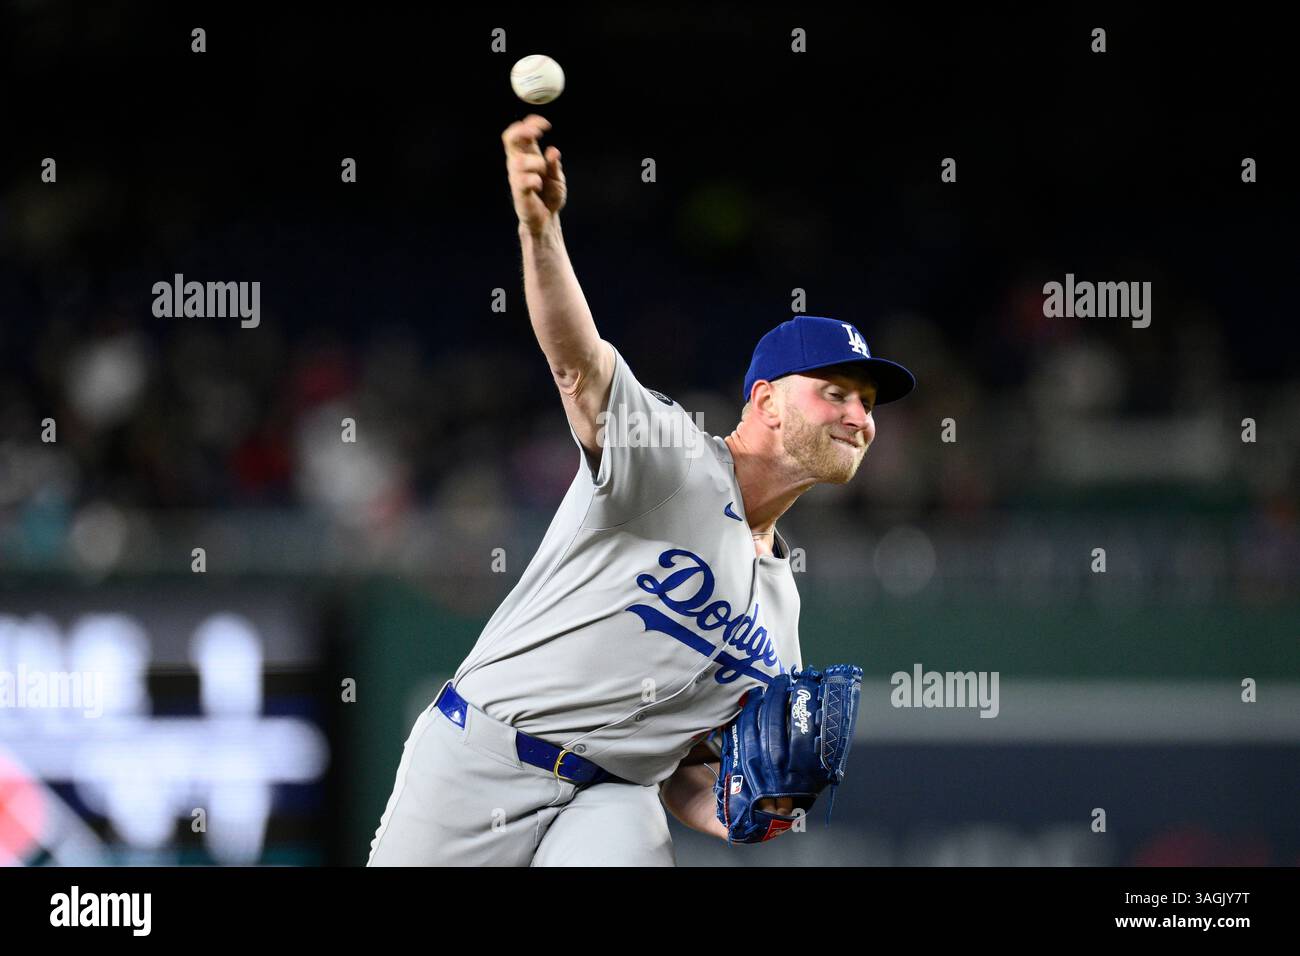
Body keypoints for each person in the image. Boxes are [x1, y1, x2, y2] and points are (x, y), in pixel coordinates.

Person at [366, 114, 915, 866]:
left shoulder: (782, 612)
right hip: (481, 758)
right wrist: (540, 229)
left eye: (868, 403)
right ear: (763, 402)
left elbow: (685, 769)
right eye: (835, 392)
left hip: (611, 795)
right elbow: (579, 365)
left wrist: (739, 812)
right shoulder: (673, 462)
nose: (859, 415)